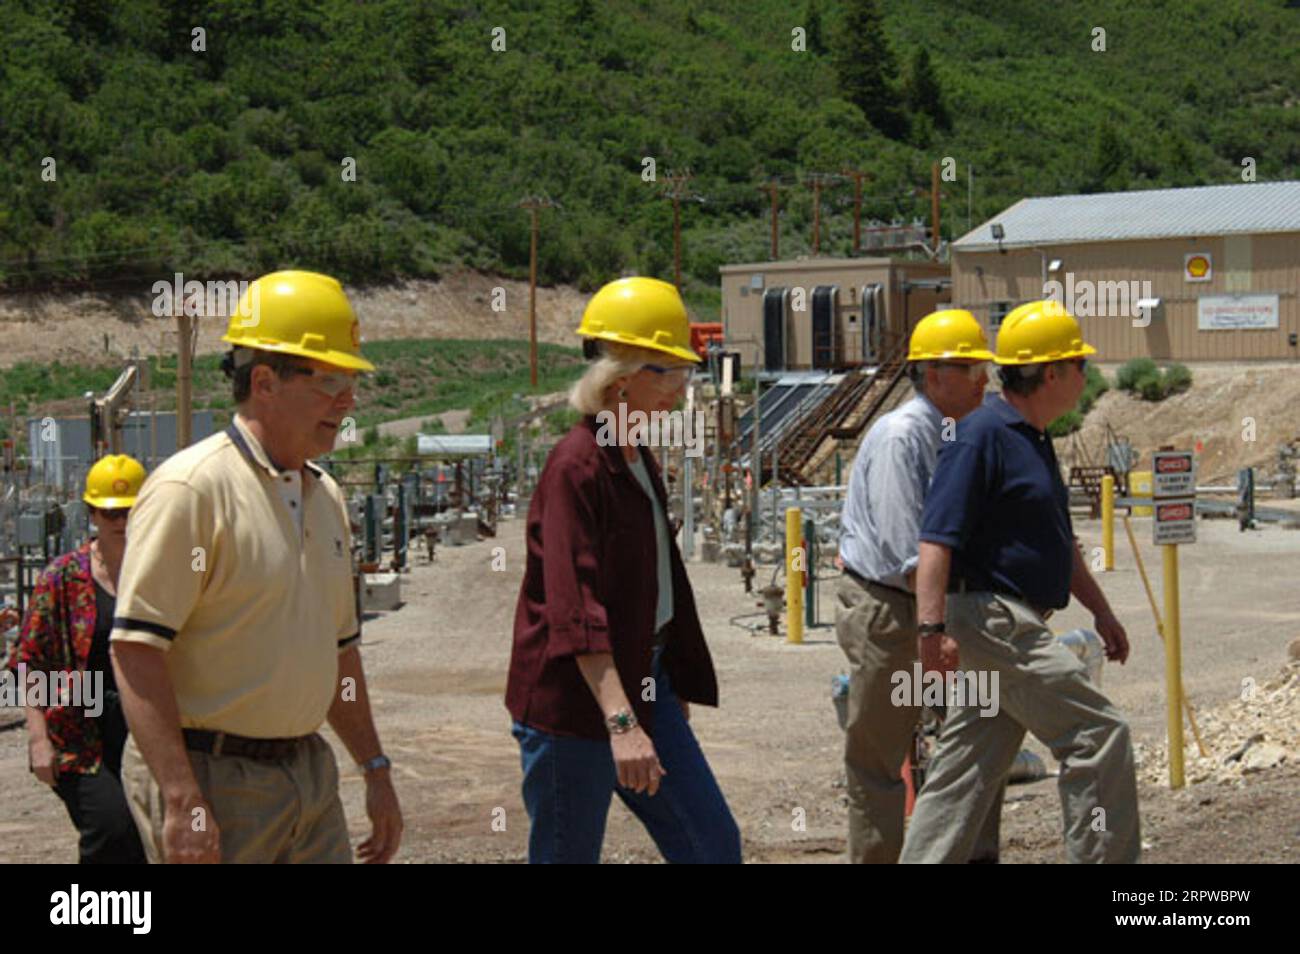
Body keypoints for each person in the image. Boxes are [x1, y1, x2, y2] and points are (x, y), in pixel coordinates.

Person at [111, 270, 403, 864]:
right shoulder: (192, 490)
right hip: (215, 781)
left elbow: (340, 652)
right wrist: (181, 795)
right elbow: (137, 651)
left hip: (308, 775)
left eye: (351, 380)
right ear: (264, 381)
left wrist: (373, 766)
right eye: (329, 380)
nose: (347, 399)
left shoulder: (326, 499)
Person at [506, 276, 741, 864]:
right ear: (619, 375)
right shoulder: (576, 467)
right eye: (668, 371)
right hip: (574, 706)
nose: (682, 388)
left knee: (711, 845)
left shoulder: (634, 455)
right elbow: (574, 608)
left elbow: (657, 582)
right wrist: (621, 723)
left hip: (644, 680)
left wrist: (668, 677)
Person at [901, 299, 1140, 864]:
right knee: (1097, 734)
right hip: (992, 621)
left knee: (965, 769)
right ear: (1051, 372)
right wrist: (929, 631)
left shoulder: (1029, 437)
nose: (1086, 376)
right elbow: (936, 539)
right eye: (1080, 365)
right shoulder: (978, 434)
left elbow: (1060, 544)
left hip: (1008, 620)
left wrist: (1102, 613)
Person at [836, 309, 1007, 864]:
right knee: (879, 759)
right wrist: (941, 624)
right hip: (891, 611)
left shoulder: (960, 434)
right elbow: (906, 549)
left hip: (939, 609)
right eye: (970, 368)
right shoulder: (901, 438)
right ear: (934, 376)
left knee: (971, 745)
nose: (984, 380)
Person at [4, 455, 149, 864]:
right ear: (91, 514)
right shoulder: (63, 577)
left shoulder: (157, 574)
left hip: (146, 726)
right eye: (110, 512)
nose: (121, 521)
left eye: (130, 511)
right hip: (81, 730)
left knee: (148, 835)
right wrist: (37, 740)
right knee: (111, 826)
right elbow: (29, 661)